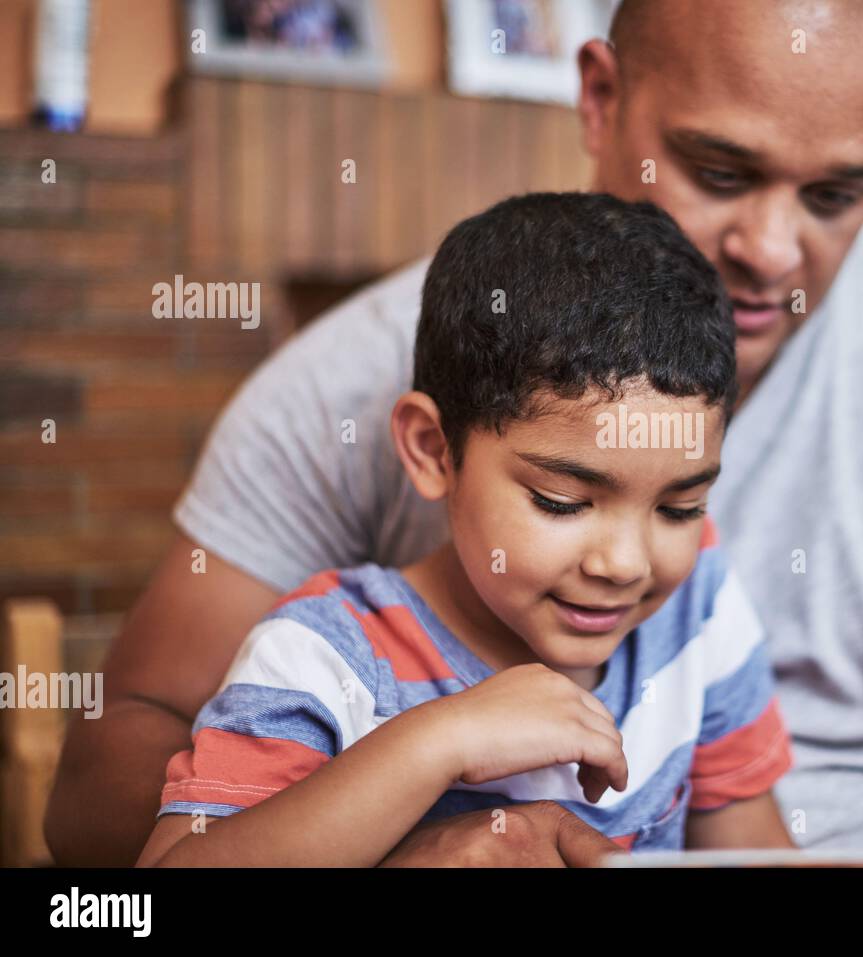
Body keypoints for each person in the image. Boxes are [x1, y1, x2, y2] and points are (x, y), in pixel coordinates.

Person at [47, 0, 863, 867]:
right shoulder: (353, 387)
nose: (774, 251)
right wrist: (396, 839)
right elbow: (106, 795)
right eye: (719, 169)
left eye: (840, 194)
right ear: (597, 98)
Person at [132, 193, 795, 866]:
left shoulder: (697, 608)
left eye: (680, 508)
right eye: (562, 501)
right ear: (433, 449)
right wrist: (438, 743)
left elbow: (754, 848)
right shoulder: (325, 660)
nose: (625, 562)